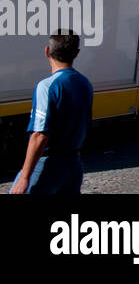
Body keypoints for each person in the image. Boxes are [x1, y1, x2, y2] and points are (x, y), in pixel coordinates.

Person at [9, 32, 94, 195]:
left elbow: (40, 135)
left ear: (47, 51)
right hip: (73, 163)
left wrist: (25, 177)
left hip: (47, 164)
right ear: (76, 53)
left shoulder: (47, 86)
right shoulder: (85, 83)